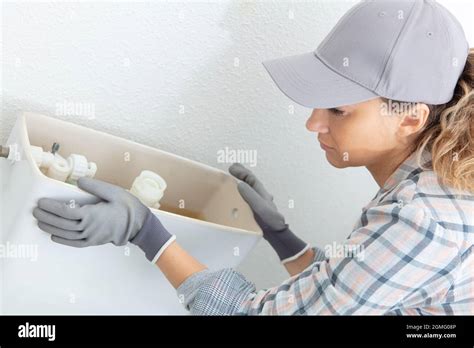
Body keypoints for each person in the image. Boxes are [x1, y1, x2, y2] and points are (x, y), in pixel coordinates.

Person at [33, 0, 473, 315]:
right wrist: (281, 236)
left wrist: (146, 232)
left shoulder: (422, 221)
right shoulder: (428, 182)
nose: (313, 124)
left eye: (338, 109)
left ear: (409, 119)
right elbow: (356, 291)